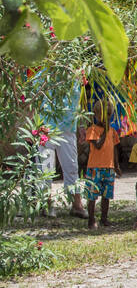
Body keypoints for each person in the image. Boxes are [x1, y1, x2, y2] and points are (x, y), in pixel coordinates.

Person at [34, 75, 87, 218]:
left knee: (71, 167)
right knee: (46, 168)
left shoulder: (75, 76)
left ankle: (77, 205)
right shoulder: (41, 76)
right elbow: (34, 102)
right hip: (46, 129)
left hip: (68, 129)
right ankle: (46, 204)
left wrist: (81, 125)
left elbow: (78, 103)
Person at [82, 104, 120, 230]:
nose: (105, 118)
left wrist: (116, 165)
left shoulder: (112, 131)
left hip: (109, 167)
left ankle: (104, 218)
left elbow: (114, 148)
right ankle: (91, 219)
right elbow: (98, 145)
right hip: (94, 168)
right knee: (92, 195)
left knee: (106, 195)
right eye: (103, 115)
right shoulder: (92, 130)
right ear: (96, 115)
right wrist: (105, 131)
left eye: (108, 115)